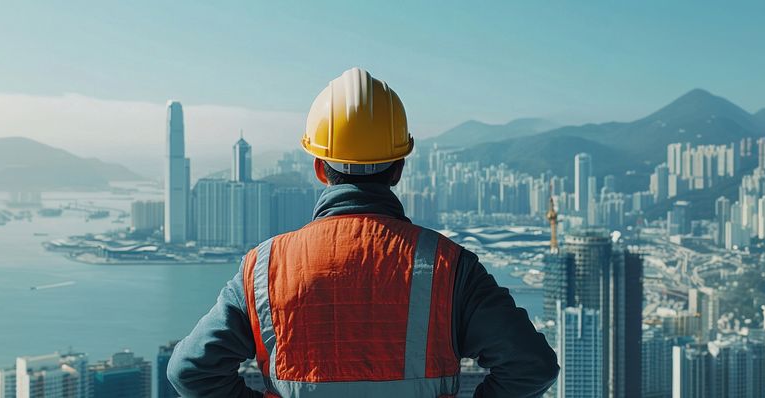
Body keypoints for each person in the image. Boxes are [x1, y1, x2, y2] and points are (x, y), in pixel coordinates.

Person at [168, 68, 558, 397]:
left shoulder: (264, 269)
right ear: (399, 168)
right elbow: (532, 367)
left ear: (320, 168)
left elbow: (190, 371)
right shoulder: (448, 266)